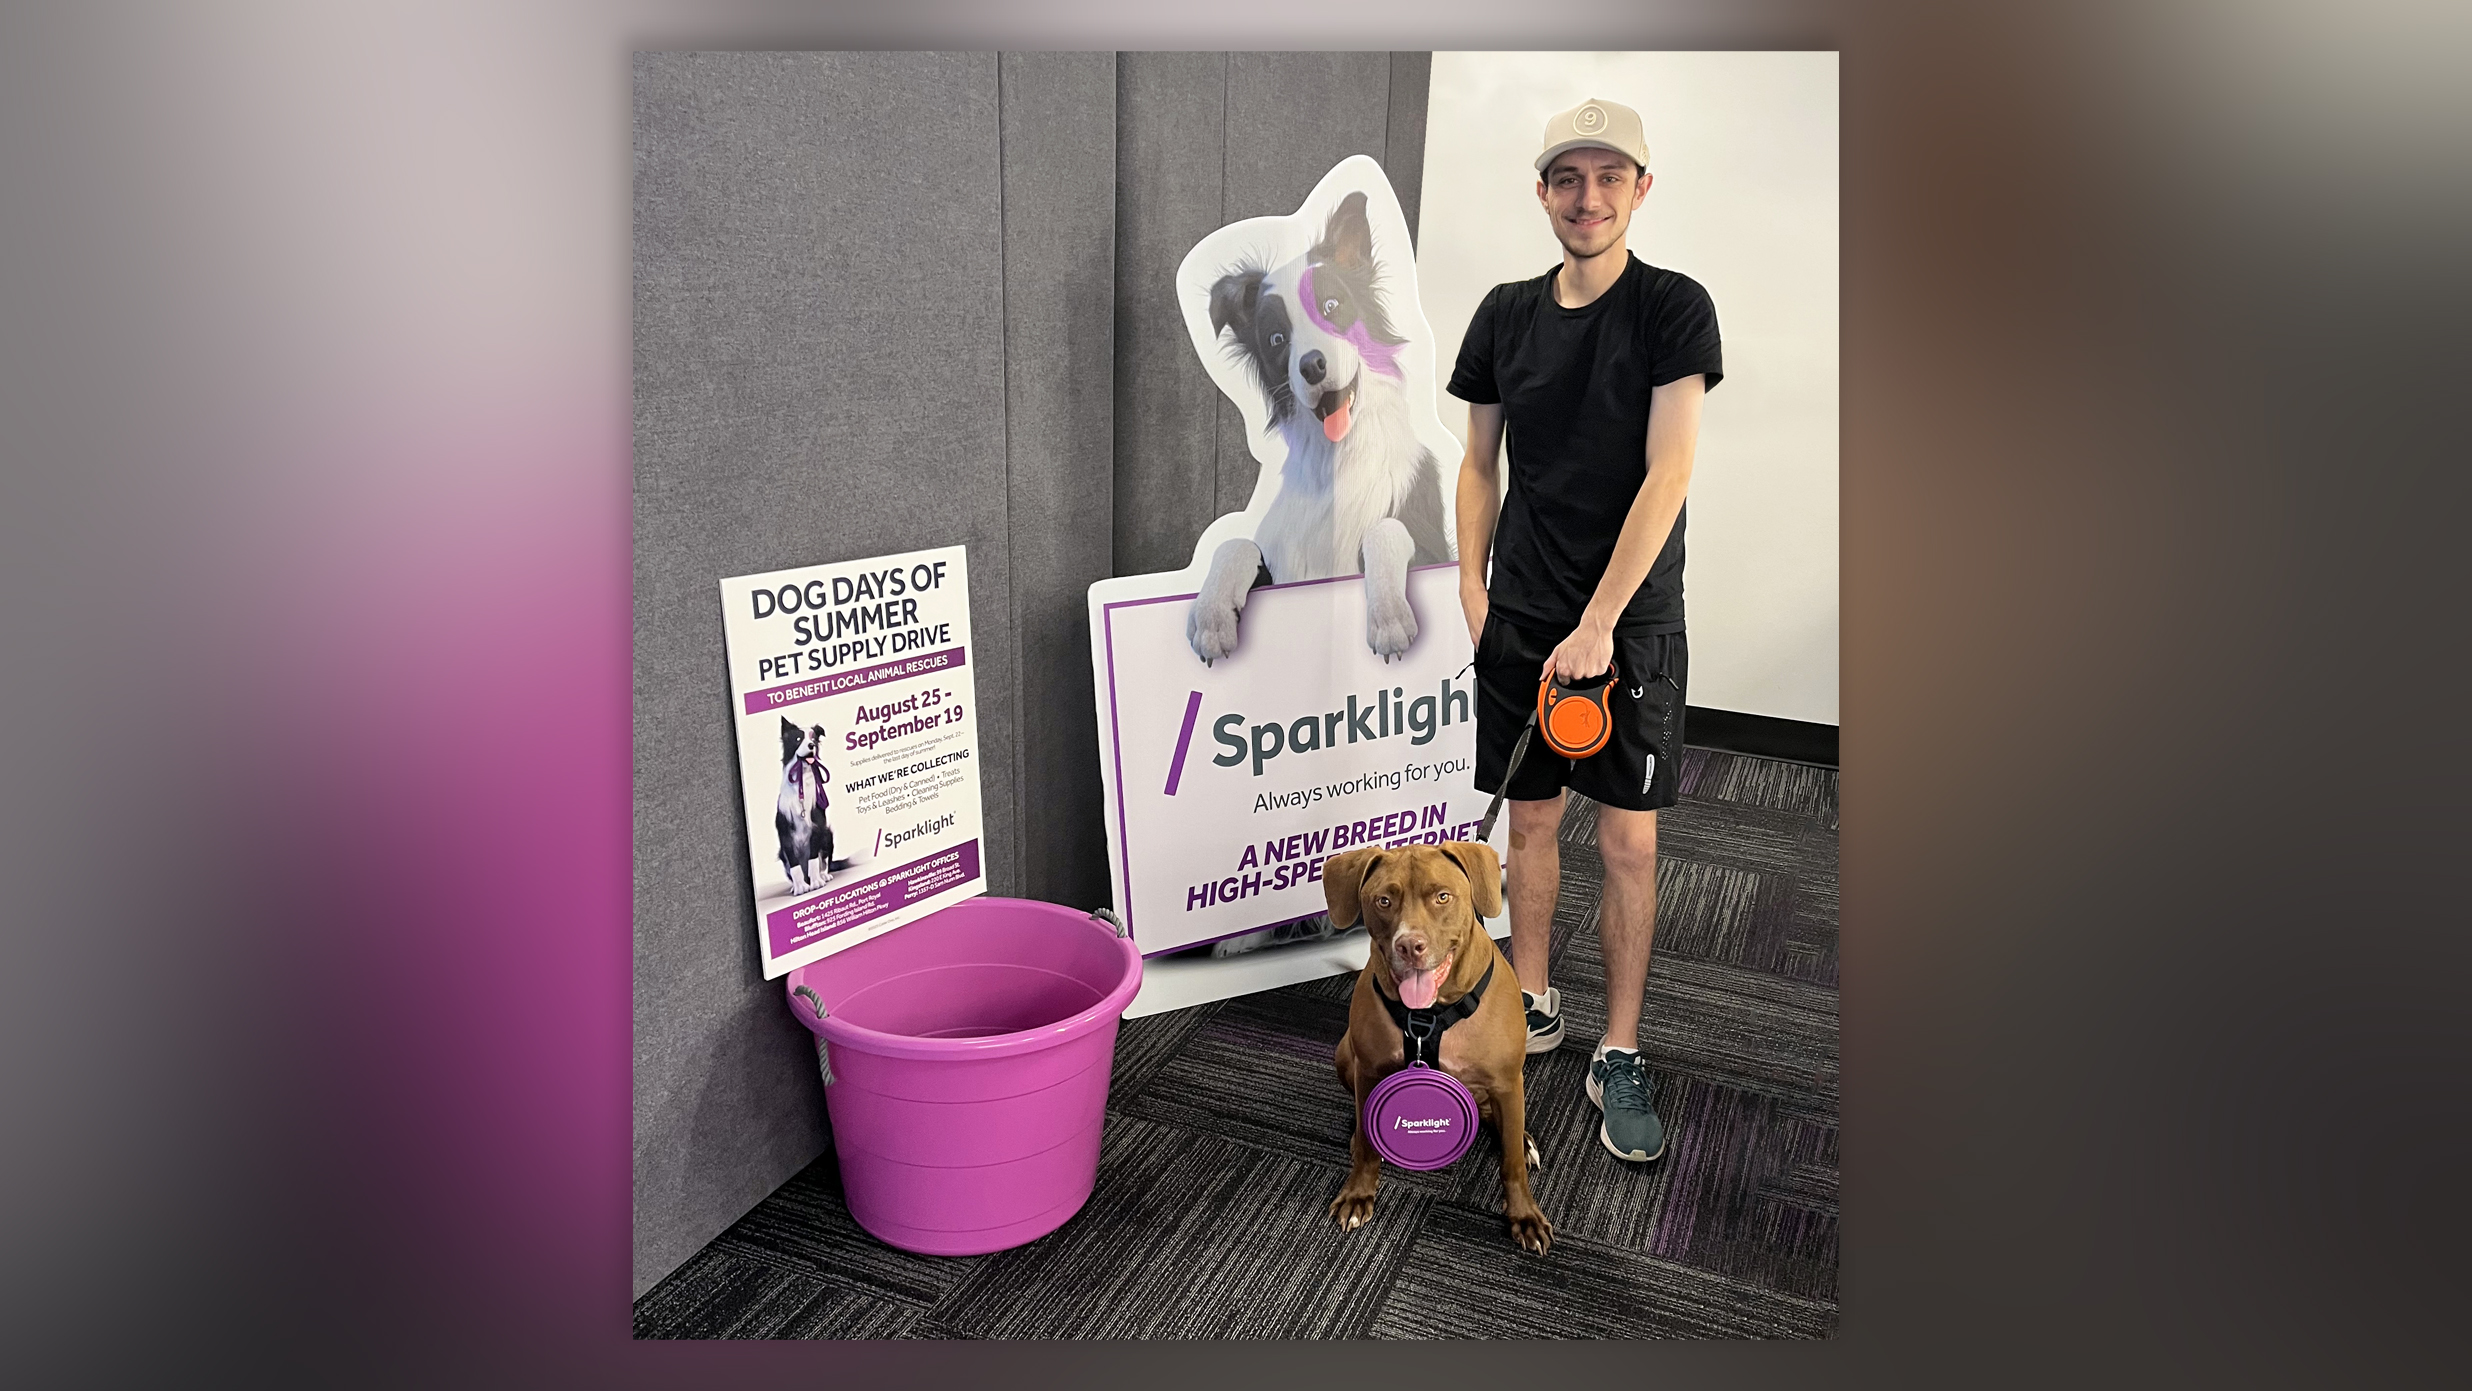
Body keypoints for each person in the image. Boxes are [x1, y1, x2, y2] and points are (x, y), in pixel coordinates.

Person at [1449, 97, 1722, 1163]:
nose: (1588, 196)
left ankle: (1620, 1047)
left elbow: (1671, 470)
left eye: (1611, 177)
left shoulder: (1672, 309)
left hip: (1631, 624)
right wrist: (1473, 589)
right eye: (1569, 177)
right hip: (1522, 611)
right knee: (1527, 827)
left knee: (1628, 840)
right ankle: (1531, 1001)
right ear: (1543, 192)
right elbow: (1478, 463)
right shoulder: (1504, 315)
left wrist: (1601, 619)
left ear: (1641, 190)